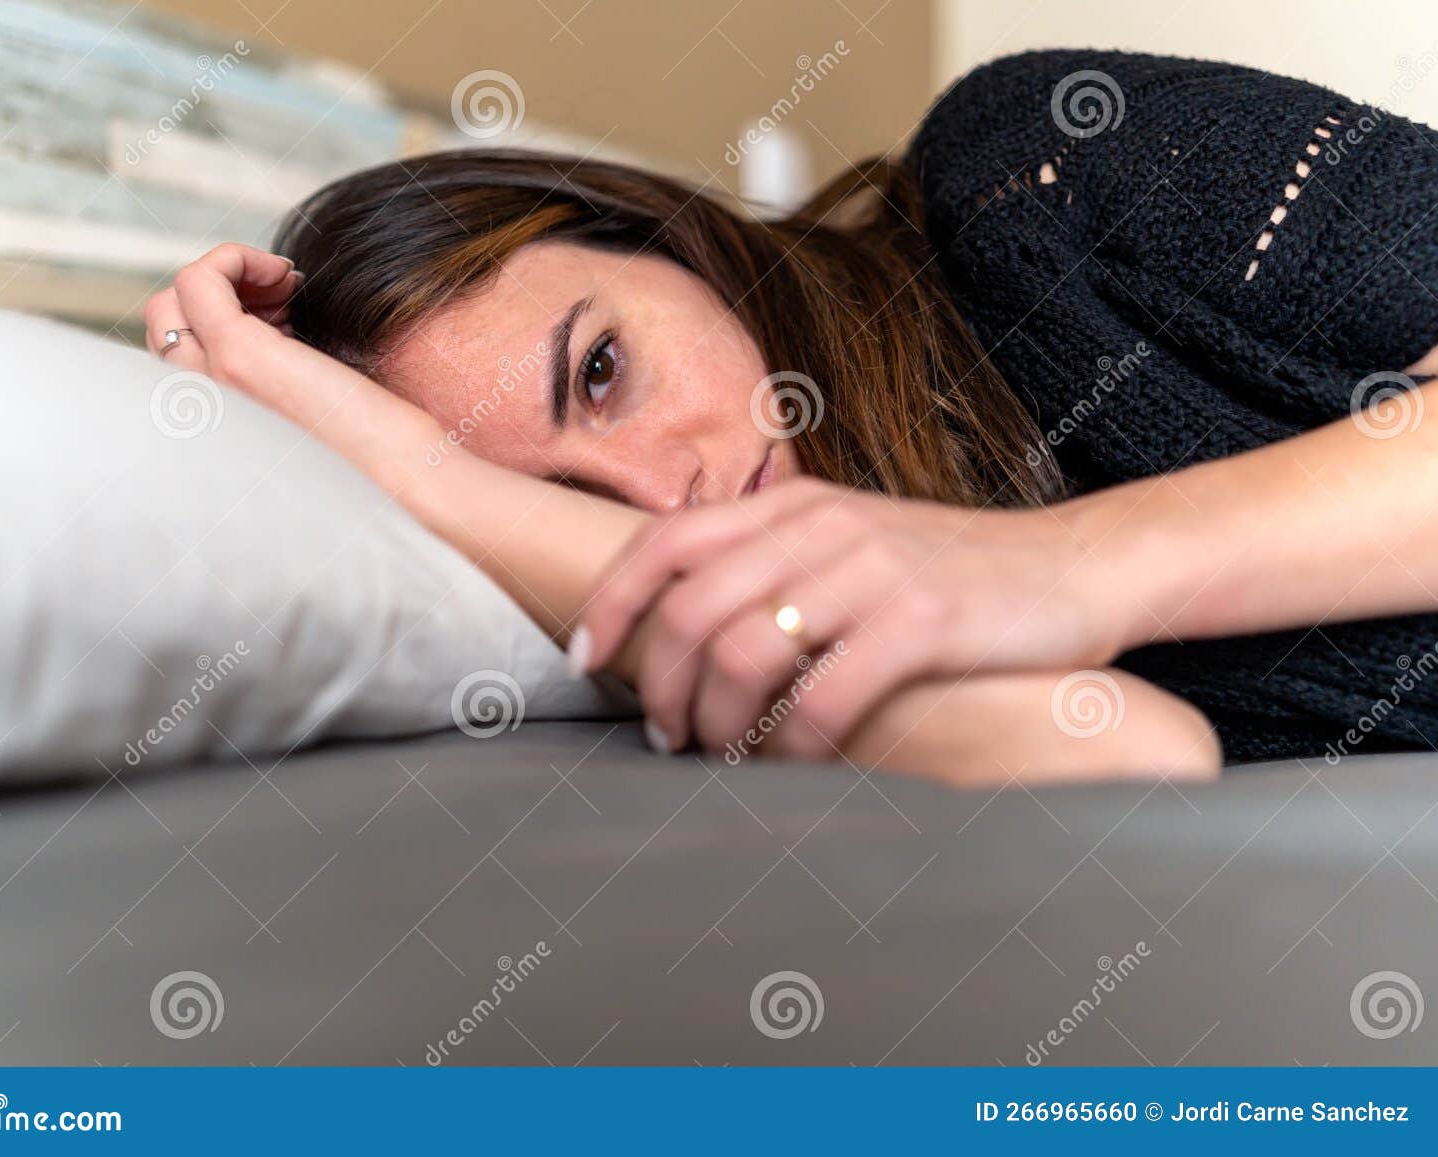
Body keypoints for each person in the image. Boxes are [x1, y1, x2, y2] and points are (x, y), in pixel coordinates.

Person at [143, 49, 1438, 785]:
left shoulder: (1025, 170)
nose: (667, 500)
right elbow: (1127, 756)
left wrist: (1074, 567)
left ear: (672, 243)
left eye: (600, 371)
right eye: (562, 506)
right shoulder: (699, 645)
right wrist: (429, 484)